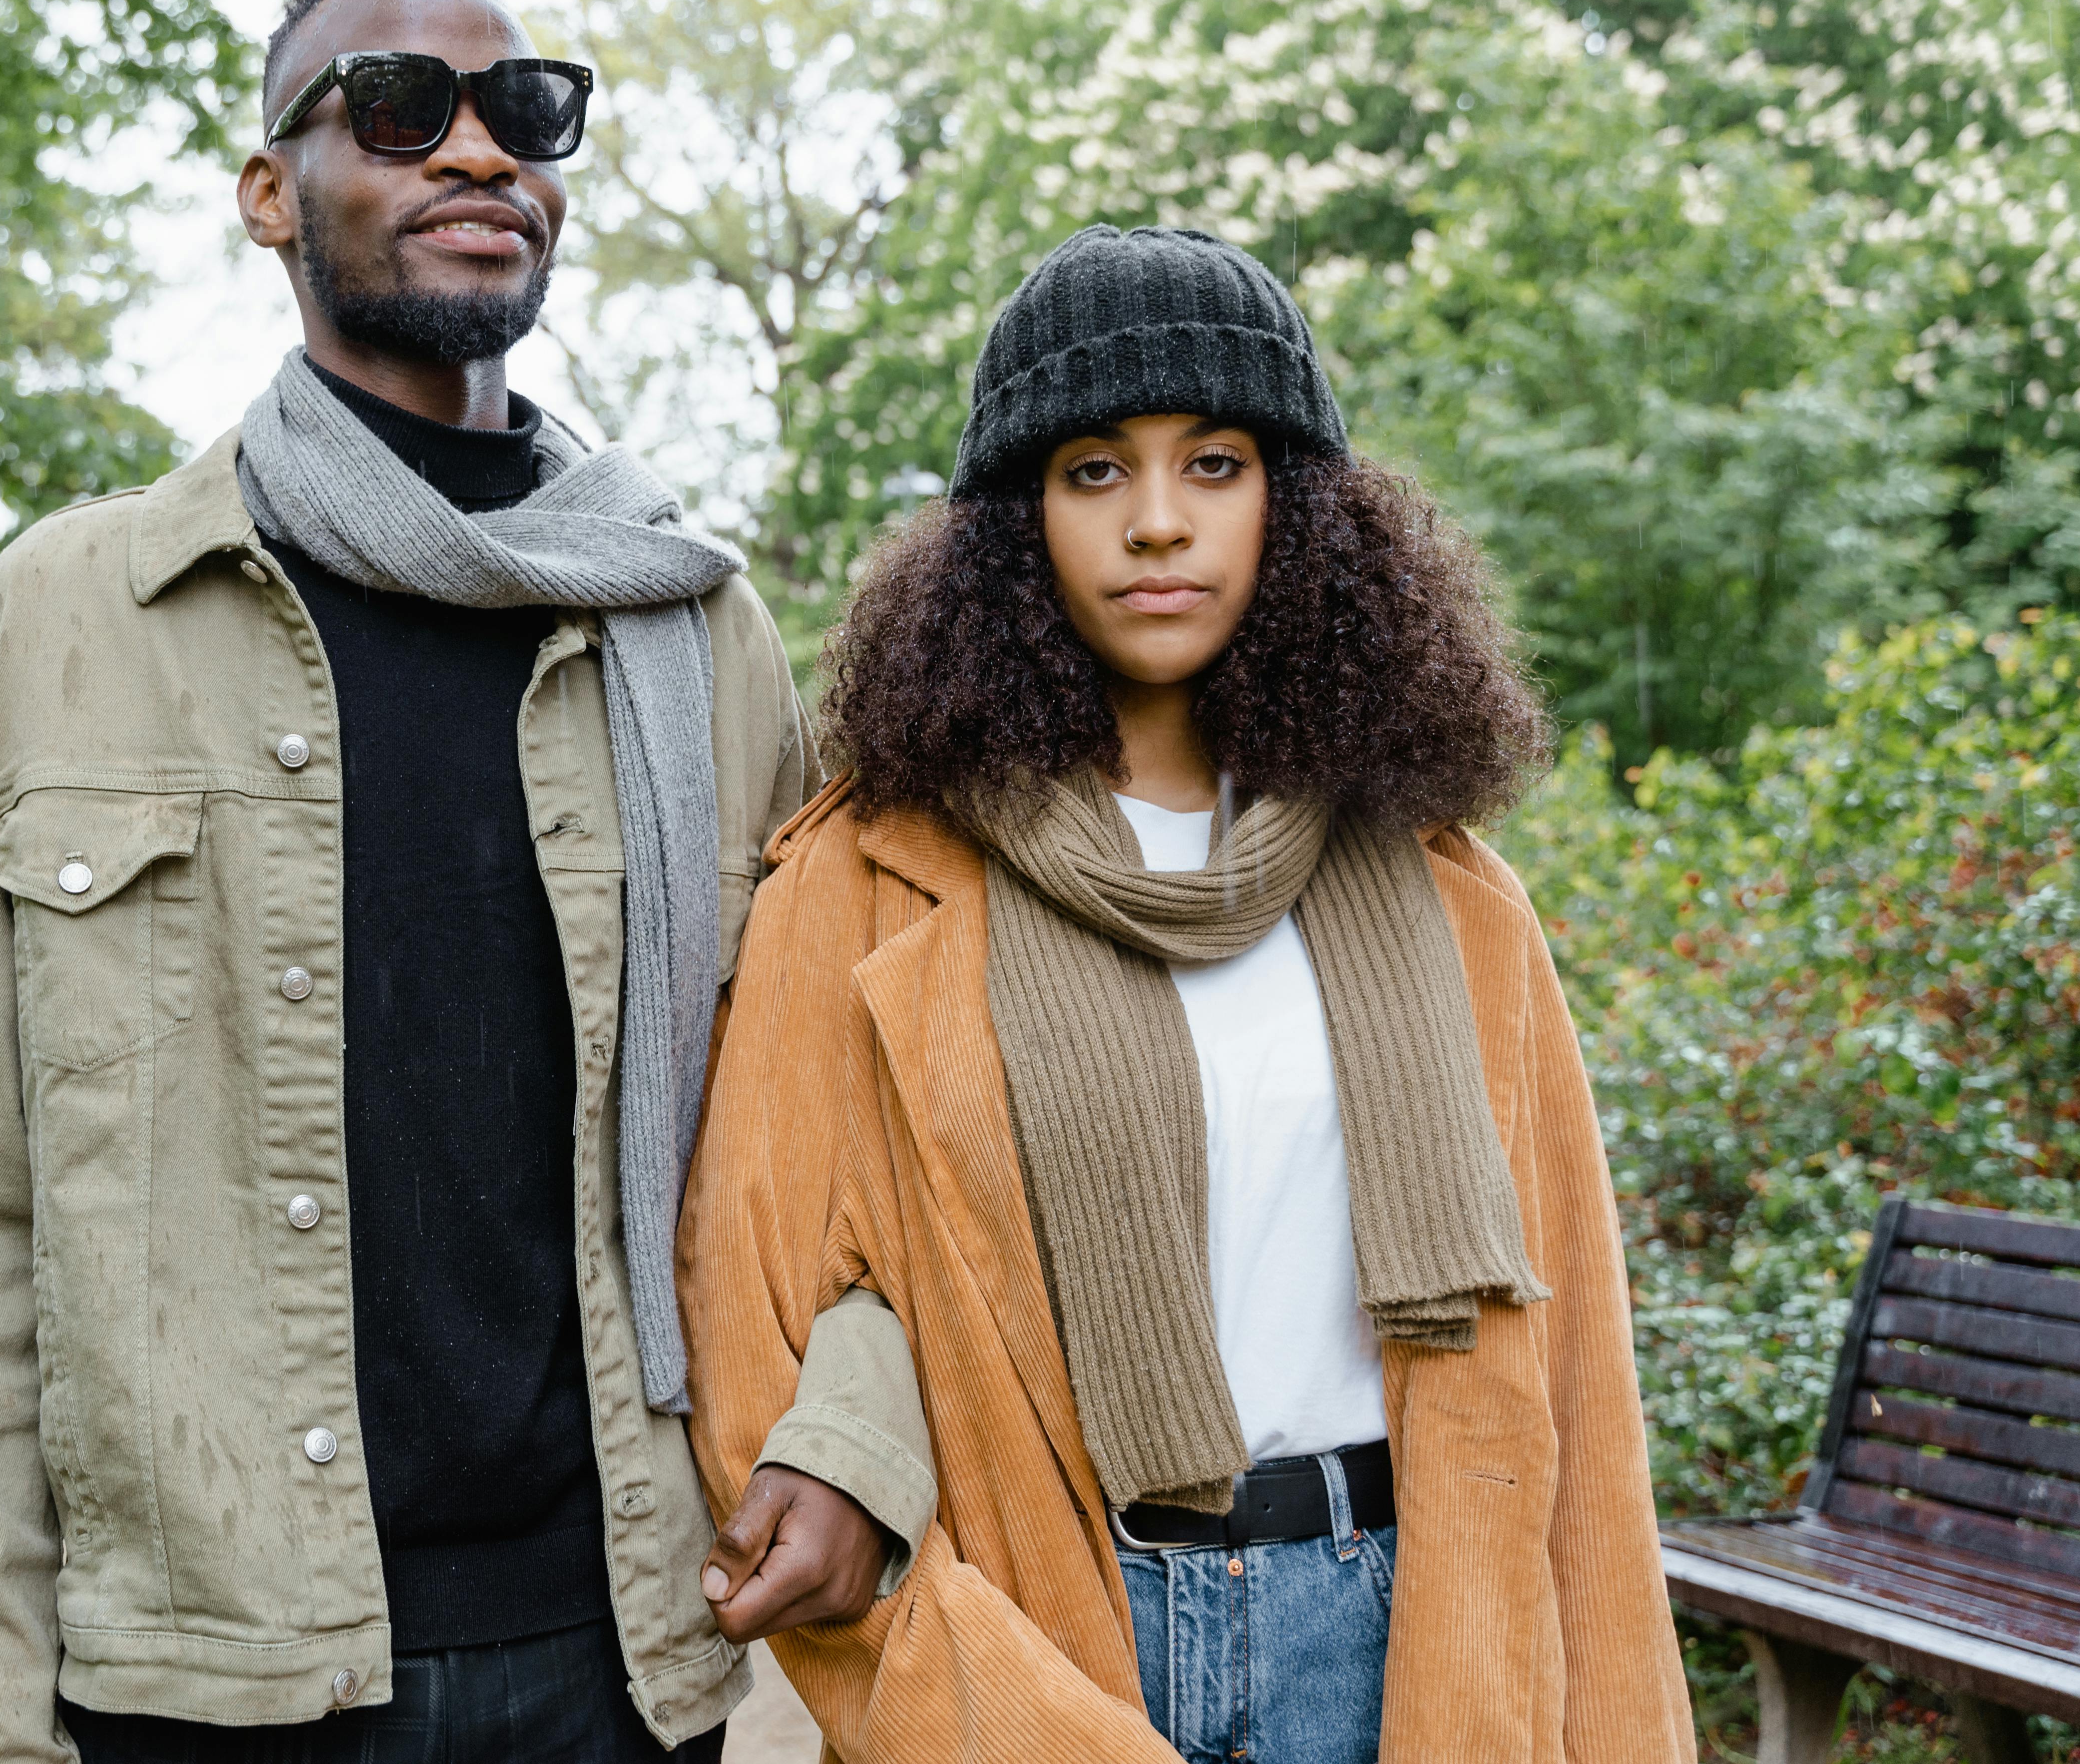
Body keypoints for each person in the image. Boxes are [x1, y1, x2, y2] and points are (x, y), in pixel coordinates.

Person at [0, 0, 811, 1764]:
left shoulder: (697, 635)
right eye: (398, 108)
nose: (477, 152)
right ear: (269, 193)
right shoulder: (66, 618)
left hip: (613, 1649)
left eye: (523, 112)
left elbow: (835, 1132)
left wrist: (843, 1444)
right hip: (202, 1671)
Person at [677, 225, 1693, 1763]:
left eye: (1213, 463)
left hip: (1403, 1629)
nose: (1156, 524)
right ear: (1015, 527)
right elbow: (755, 1357)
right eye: (1094, 471)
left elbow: (1575, 1408)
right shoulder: (865, 885)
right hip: (1055, 1635)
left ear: (1298, 506)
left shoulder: (1450, 898)